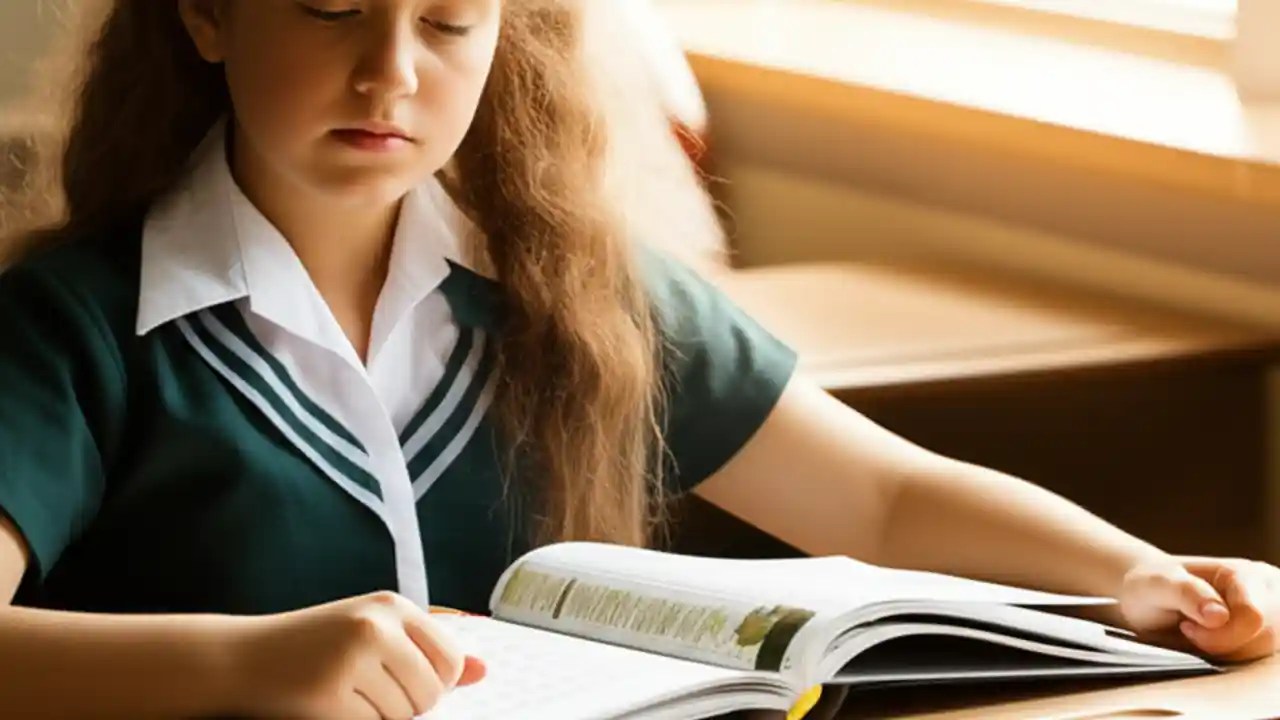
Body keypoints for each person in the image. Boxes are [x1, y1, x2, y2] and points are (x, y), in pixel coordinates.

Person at [0, 1, 1275, 718]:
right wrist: (242, 666)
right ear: (209, 15)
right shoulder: (72, 329)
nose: (388, 73)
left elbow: (879, 495)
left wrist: (1137, 570)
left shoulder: (571, 290)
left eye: (446, 21)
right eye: (331, 5)